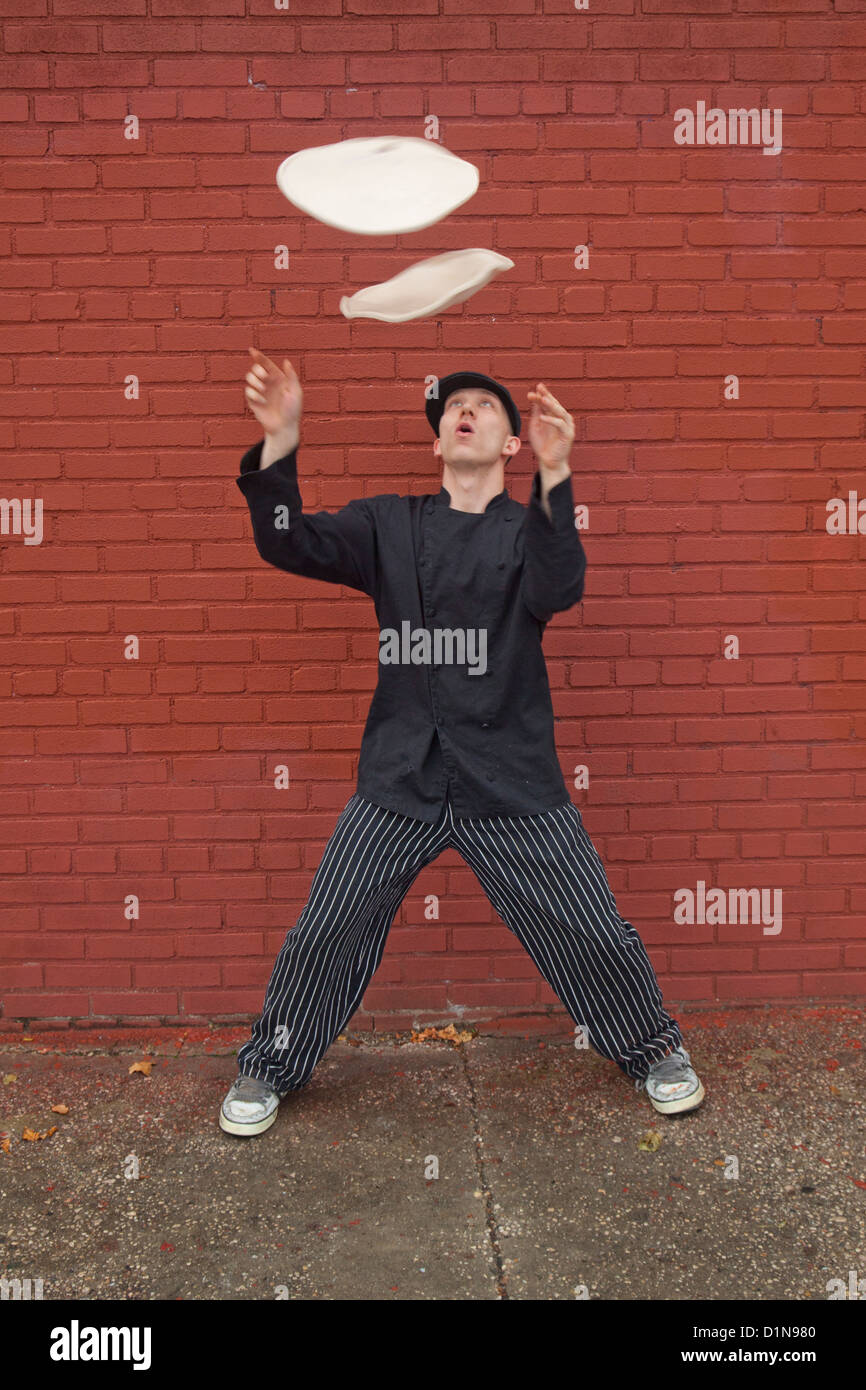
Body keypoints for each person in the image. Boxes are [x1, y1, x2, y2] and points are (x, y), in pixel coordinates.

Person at [220, 347, 705, 1137]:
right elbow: (288, 544)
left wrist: (558, 475)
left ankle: (654, 1051)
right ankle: (270, 1065)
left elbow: (561, 586)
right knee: (327, 926)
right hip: (400, 776)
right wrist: (281, 440)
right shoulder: (386, 524)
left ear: (514, 443)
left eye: (483, 406)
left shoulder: (527, 530)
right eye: (451, 408)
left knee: (587, 924)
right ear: (438, 441)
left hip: (510, 776)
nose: (464, 412)